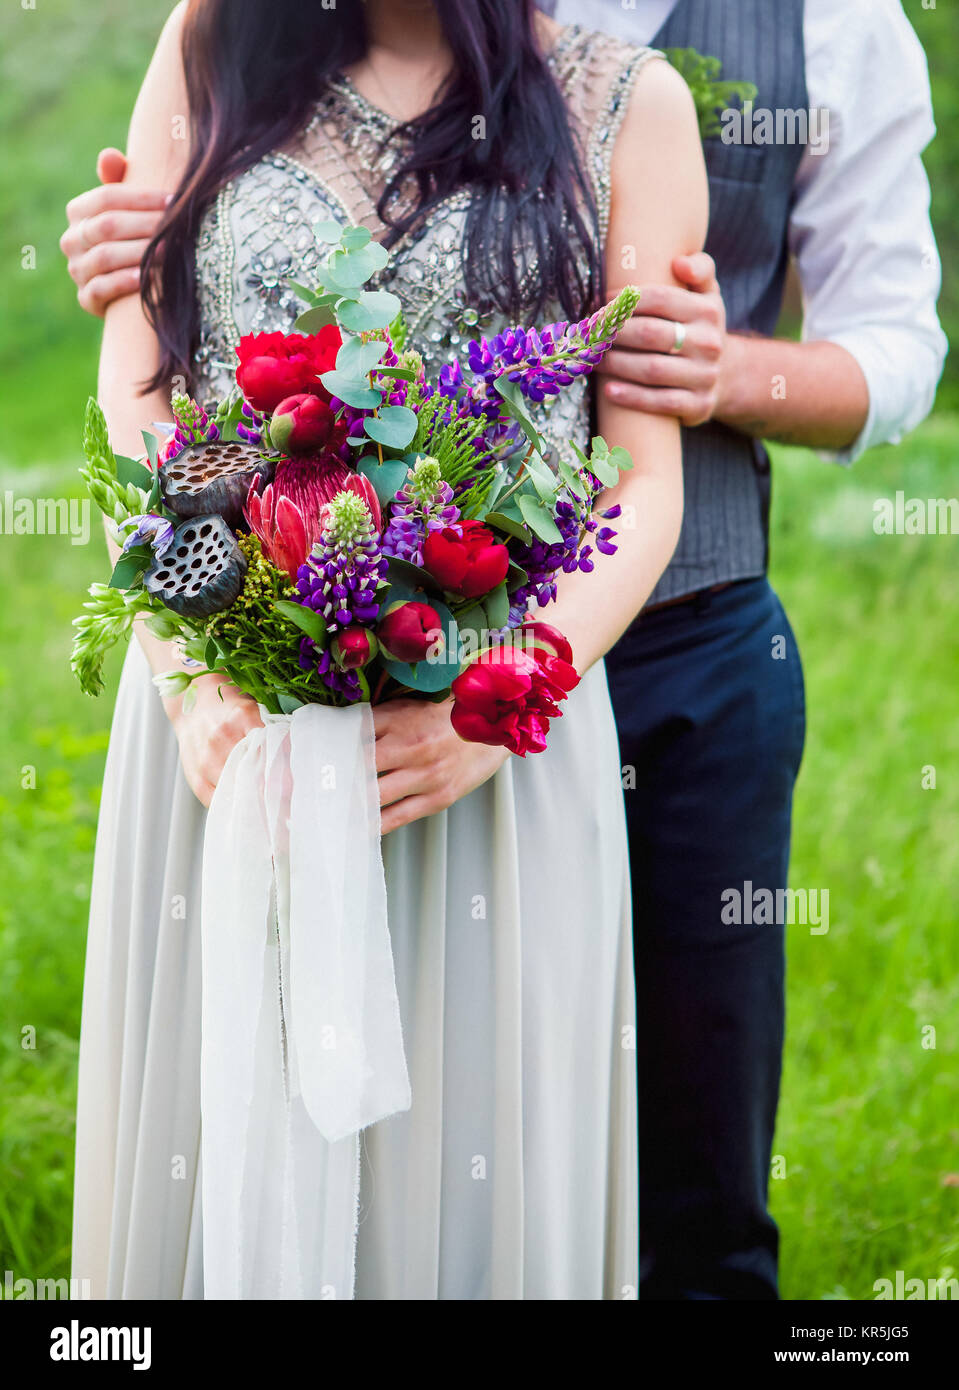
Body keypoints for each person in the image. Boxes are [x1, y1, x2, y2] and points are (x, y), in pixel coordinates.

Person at [62, 0, 948, 1304]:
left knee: (656, 1183)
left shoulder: (718, 65)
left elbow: (879, 355)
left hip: (593, 684)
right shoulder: (215, 41)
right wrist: (192, 664)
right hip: (237, 720)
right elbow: (140, 390)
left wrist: (719, 378)